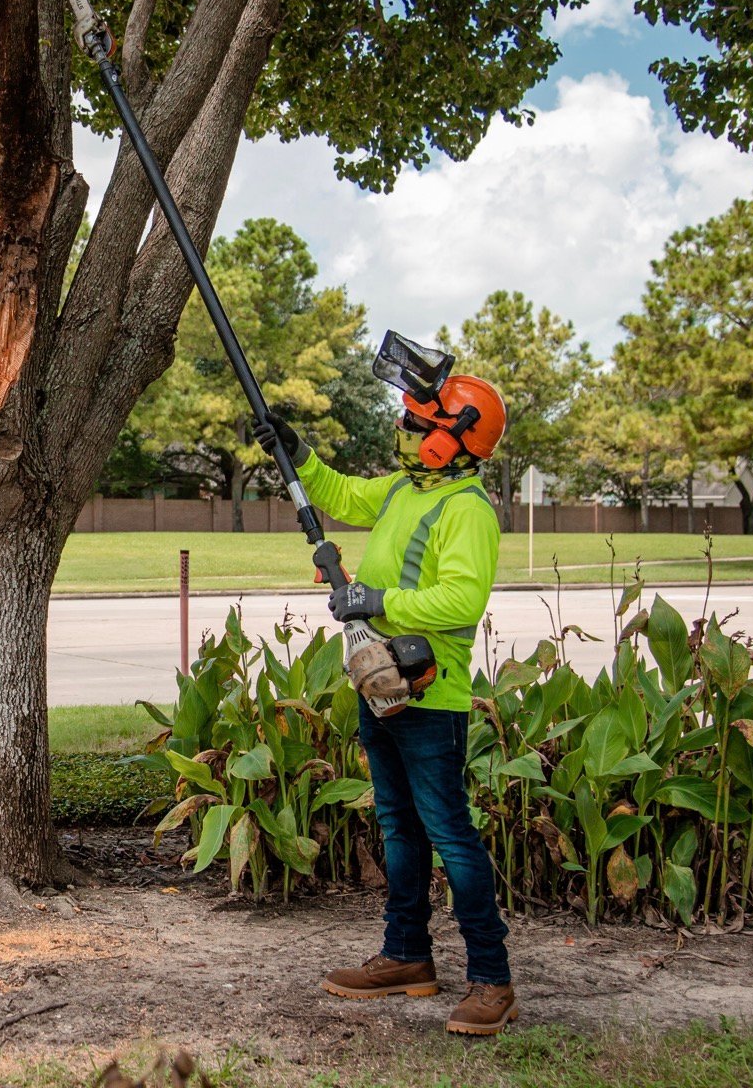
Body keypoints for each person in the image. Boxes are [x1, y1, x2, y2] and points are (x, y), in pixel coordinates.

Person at [254, 337, 516, 1037]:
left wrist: (373, 600)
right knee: (399, 829)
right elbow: (341, 495)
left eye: (412, 424)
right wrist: (297, 450)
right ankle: (407, 957)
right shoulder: (407, 489)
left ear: (446, 443)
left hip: (431, 697)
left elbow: (460, 601)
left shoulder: (468, 510)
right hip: (381, 687)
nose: (400, 431)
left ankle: (492, 978)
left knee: (451, 836)